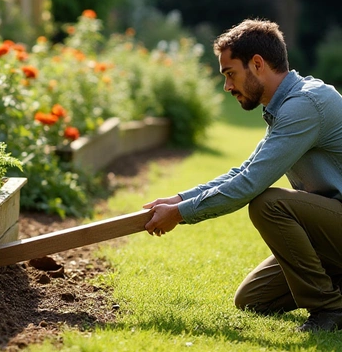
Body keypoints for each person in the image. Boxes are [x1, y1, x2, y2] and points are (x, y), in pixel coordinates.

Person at [143, 18, 342, 332]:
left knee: (268, 203)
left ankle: (330, 310)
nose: (227, 86)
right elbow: (243, 171)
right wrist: (180, 199)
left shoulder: (305, 105)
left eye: (230, 73)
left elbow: (250, 184)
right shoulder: (286, 105)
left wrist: (181, 214)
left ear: (258, 64)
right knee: (253, 299)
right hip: (330, 230)